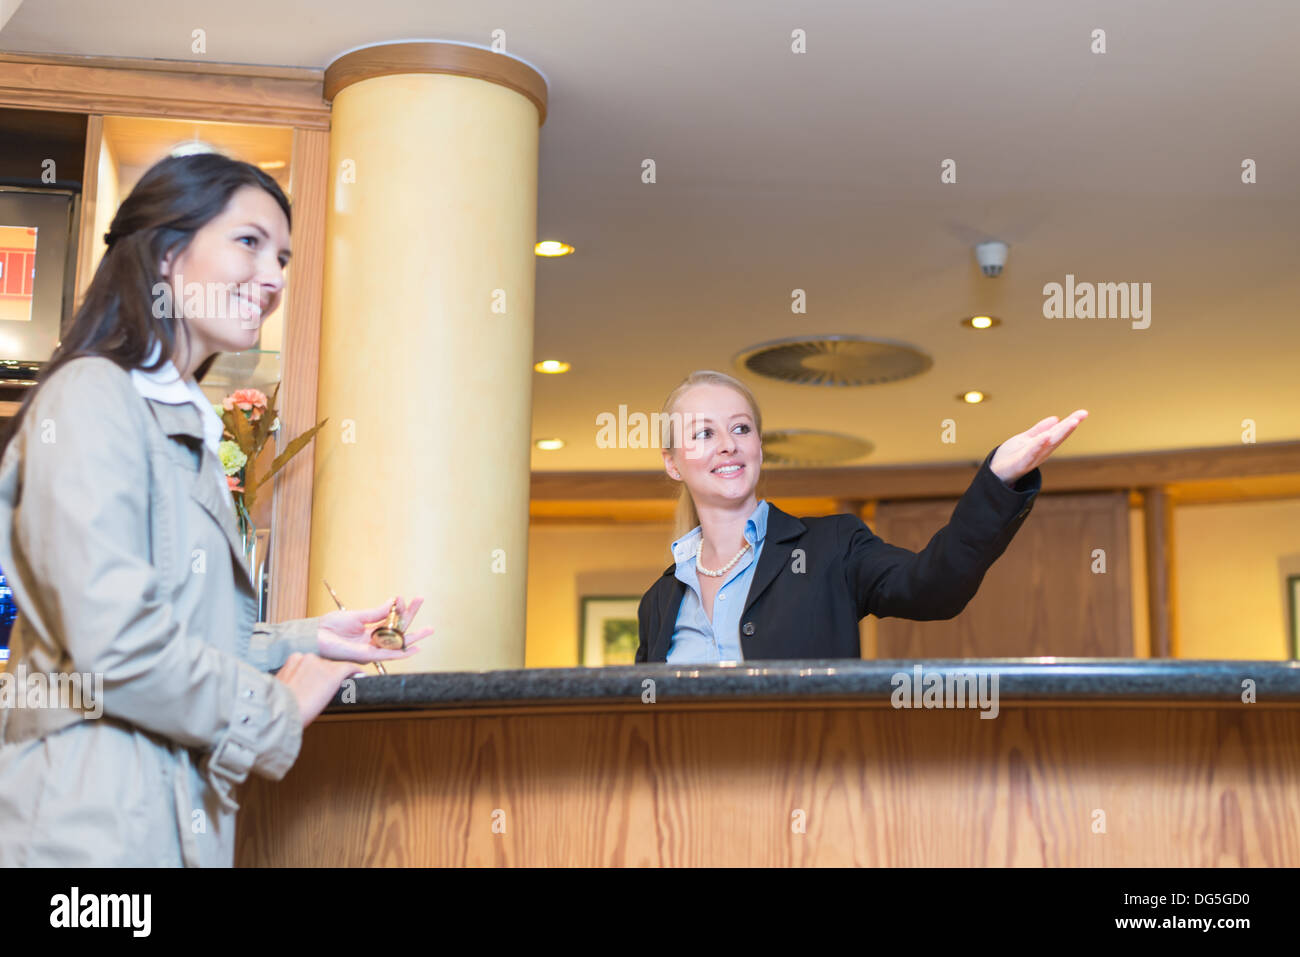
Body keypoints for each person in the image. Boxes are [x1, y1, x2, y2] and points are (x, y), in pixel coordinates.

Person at [0, 153, 433, 866]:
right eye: (249, 242)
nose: (274, 278)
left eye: (285, 257)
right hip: (82, 843)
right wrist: (275, 709)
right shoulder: (91, 398)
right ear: (168, 253)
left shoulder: (180, 428)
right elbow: (116, 645)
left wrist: (313, 639)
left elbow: (178, 630)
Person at [636, 370, 1087, 663]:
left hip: (811, 800)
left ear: (758, 445)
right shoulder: (659, 601)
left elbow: (934, 589)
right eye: (703, 434)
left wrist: (997, 480)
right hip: (689, 807)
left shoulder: (832, 545)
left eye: (740, 428)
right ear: (672, 462)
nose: (727, 445)